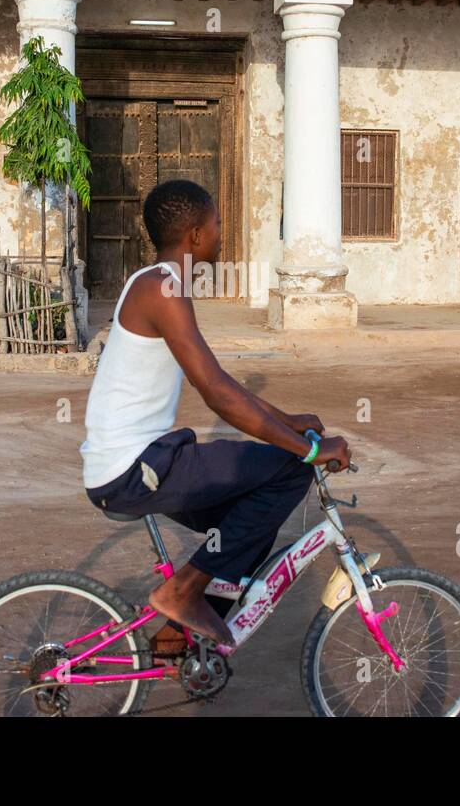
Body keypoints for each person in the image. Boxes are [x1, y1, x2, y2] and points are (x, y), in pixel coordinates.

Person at [79, 179, 352, 647]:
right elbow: (216, 394)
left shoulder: (155, 283)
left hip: (138, 463)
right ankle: (182, 591)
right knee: (287, 472)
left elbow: (219, 379)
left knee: (252, 525)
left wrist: (287, 420)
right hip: (132, 468)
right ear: (195, 236)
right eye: (217, 223)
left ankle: (176, 637)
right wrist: (307, 449)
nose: (221, 232)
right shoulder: (163, 289)